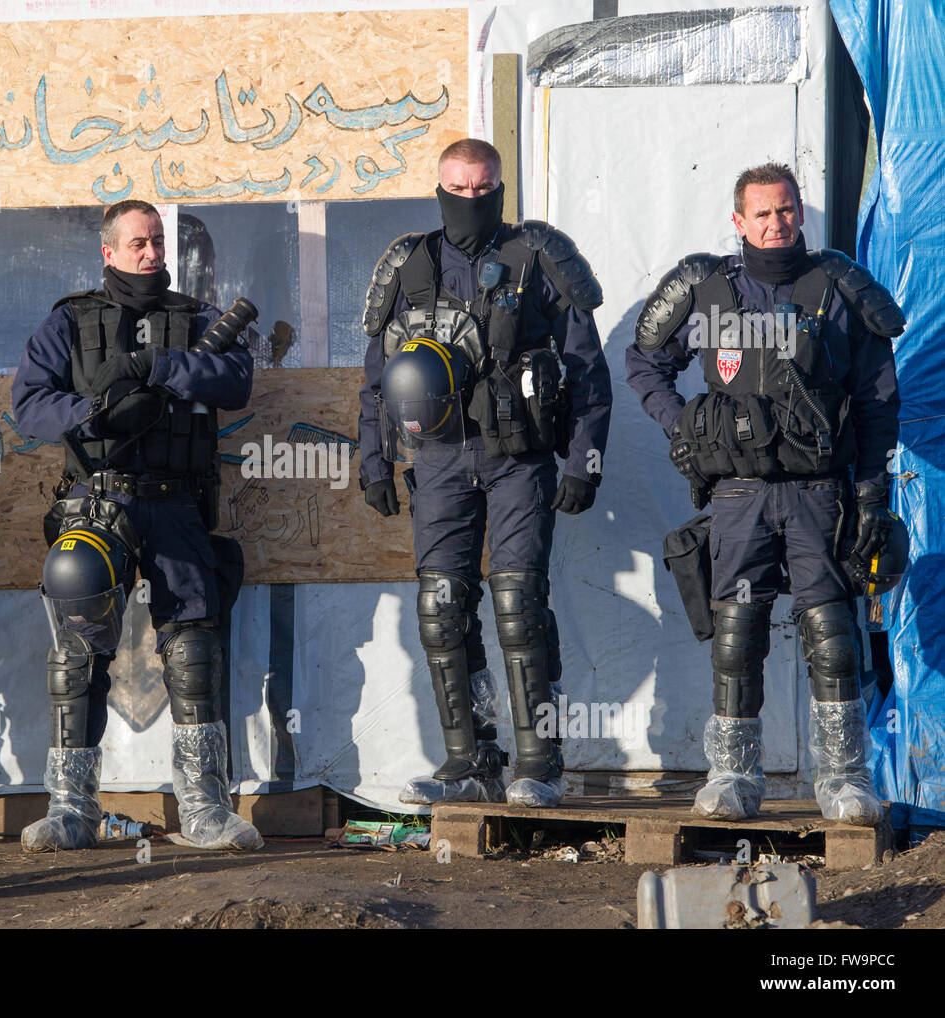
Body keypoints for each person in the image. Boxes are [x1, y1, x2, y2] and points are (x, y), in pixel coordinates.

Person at [626, 162, 903, 825]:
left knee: (832, 635)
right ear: (738, 221)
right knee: (737, 633)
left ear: (799, 213)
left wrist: (871, 494)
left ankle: (844, 781)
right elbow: (645, 361)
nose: (775, 223)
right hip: (739, 495)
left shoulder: (837, 289)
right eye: (762, 213)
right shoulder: (706, 288)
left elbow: (876, 401)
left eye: (785, 210)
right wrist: (685, 425)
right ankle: (733, 776)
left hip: (817, 494)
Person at [358, 138, 612, 808]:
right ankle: (469, 763)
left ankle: (539, 764)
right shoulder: (410, 264)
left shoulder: (535, 256)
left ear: (500, 187)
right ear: (438, 189)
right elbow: (374, 379)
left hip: (518, 459)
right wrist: (374, 457)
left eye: (484, 189)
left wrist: (585, 461)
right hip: (438, 461)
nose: (472, 199)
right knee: (442, 610)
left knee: (519, 606)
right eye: (459, 189)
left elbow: (587, 370)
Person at [12, 199, 260, 852]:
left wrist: (162, 367)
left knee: (193, 651)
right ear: (109, 252)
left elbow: (237, 380)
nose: (152, 254)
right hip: (98, 501)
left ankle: (205, 809)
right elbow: (29, 406)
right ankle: (71, 809)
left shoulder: (197, 318)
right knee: (77, 653)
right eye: (139, 244)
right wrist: (97, 412)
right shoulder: (71, 320)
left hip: (176, 501)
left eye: (158, 243)